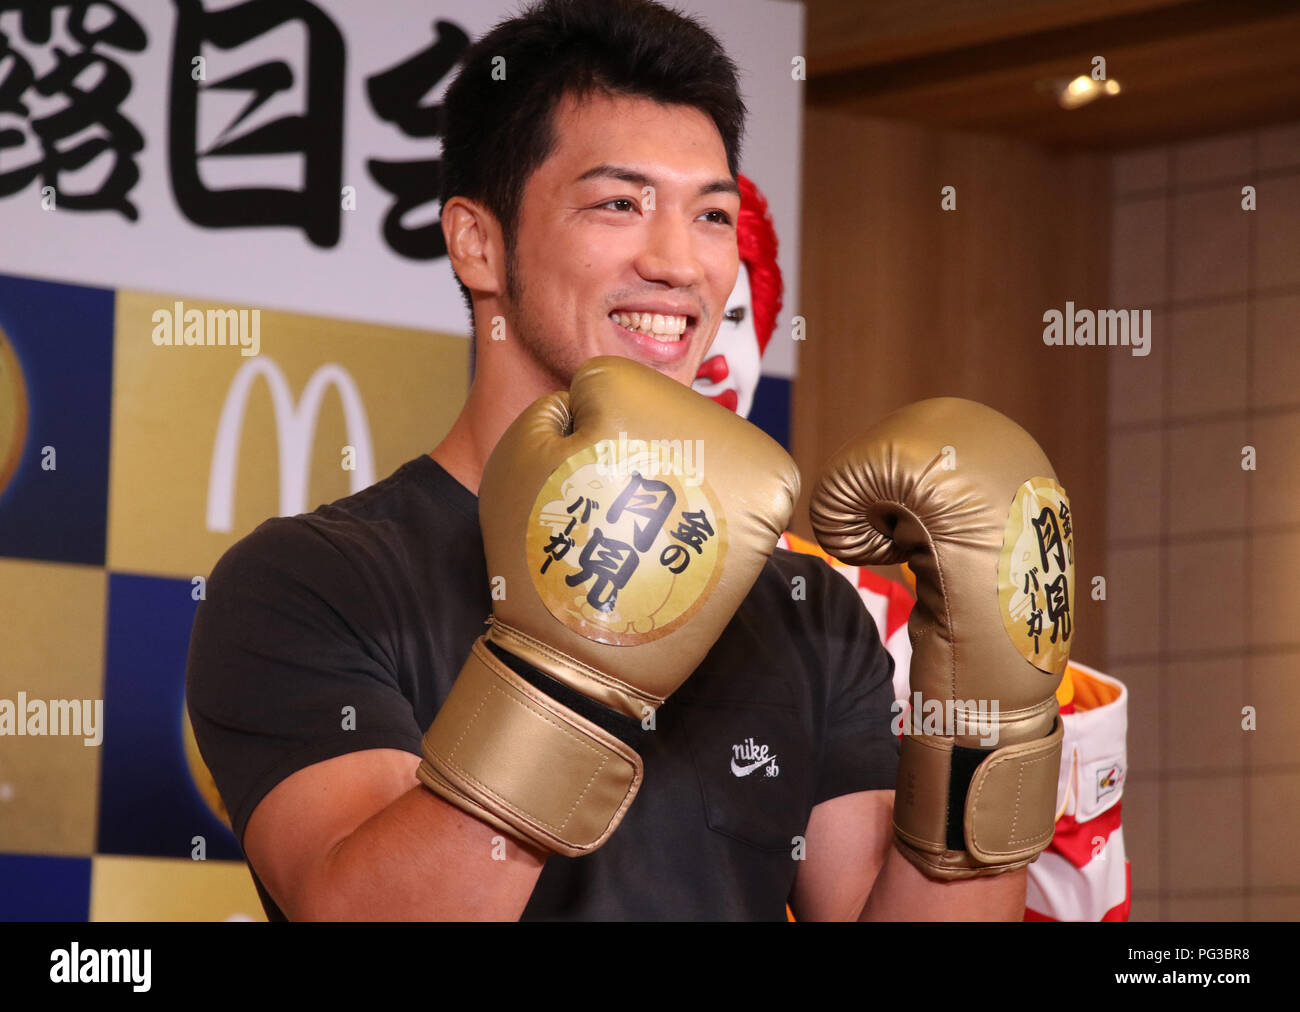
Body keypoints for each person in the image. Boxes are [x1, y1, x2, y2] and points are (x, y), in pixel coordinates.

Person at [186, 0, 1040, 920]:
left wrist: (991, 715)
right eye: (620, 204)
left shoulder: (805, 612)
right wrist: (578, 646)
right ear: (478, 242)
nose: (680, 262)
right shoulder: (312, 582)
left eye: (711, 215)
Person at [699, 173, 1131, 922]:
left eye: (734, 315)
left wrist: (999, 699)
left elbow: (1068, 903)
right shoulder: (449, 552)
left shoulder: (855, 617)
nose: (705, 355)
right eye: (676, 320)